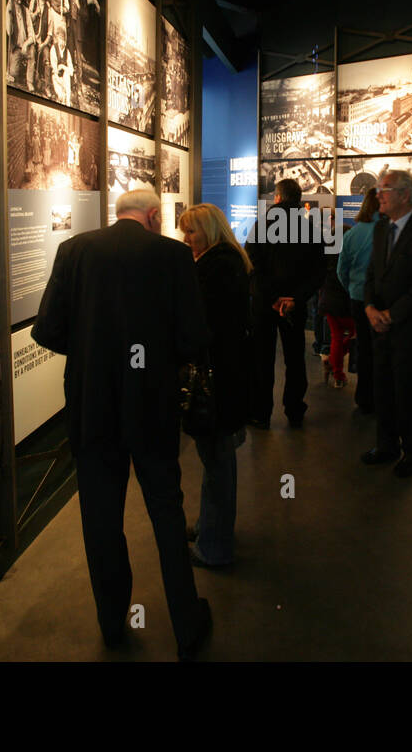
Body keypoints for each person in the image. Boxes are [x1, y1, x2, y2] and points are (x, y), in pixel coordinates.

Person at [32, 188, 213, 660]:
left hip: (93, 409)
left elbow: (47, 330)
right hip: (152, 408)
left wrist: (96, 350)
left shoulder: (74, 251)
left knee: (101, 518)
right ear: (154, 216)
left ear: (119, 215)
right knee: (167, 514)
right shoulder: (173, 256)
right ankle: (186, 625)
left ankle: (112, 623)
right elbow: (194, 338)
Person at [178, 204, 253, 568]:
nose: (185, 238)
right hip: (228, 376)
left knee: (218, 461)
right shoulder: (227, 261)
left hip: (218, 380)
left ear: (208, 231)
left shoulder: (216, 268)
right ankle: (211, 529)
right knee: (217, 460)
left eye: (190, 231)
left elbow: (205, 327)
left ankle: (215, 546)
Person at [361, 169, 412, 477]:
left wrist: (391, 316)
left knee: (408, 392)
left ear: (405, 195)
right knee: (382, 389)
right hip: (379, 328)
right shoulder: (381, 230)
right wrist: (369, 307)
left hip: (411, 331)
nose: (378, 194)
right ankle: (386, 445)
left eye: (385, 189)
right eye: (379, 189)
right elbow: (371, 275)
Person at [245, 179, 325, 429]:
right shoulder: (311, 228)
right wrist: (295, 298)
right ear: (299, 199)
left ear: (278, 198)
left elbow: (252, 266)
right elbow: (318, 272)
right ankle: (294, 409)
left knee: (262, 359)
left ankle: (260, 413)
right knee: (295, 357)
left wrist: (271, 299)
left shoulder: (263, 224)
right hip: (294, 307)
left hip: (263, 306)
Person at [337, 188, 379, 412]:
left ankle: (364, 396)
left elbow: (341, 269)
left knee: (363, 347)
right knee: (382, 350)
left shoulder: (352, 234)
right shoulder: (389, 232)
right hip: (383, 302)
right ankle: (382, 396)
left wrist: (352, 289)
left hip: (357, 299)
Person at [319, 213, 356, 390]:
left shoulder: (326, 257)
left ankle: (337, 374)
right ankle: (333, 364)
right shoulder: (351, 260)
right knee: (357, 334)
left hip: (329, 304)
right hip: (348, 305)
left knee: (335, 337)